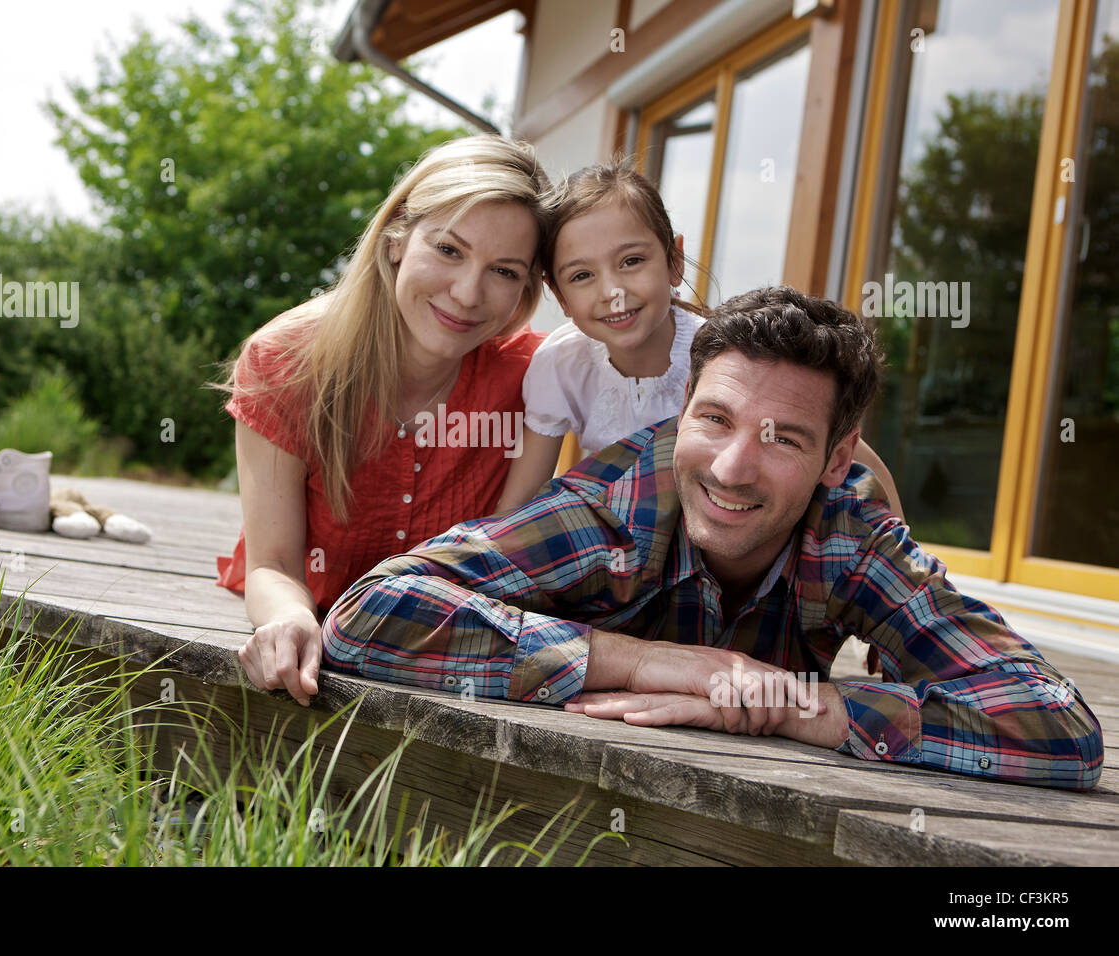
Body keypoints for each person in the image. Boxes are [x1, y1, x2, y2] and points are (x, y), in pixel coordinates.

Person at [321, 286, 1103, 790]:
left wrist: (795, 705)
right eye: (715, 419)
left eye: (783, 440)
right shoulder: (612, 507)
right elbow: (369, 615)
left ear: (836, 459)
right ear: (683, 404)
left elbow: (1059, 728)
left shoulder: (852, 536)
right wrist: (678, 666)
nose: (732, 469)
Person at [212, 135, 552, 708]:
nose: (468, 293)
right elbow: (272, 564)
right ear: (396, 238)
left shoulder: (537, 375)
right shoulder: (286, 360)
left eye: (503, 270)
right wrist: (290, 617)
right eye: (448, 249)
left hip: (445, 650)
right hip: (315, 620)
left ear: (526, 287)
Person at [494, 160, 904, 518]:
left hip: (725, 532)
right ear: (559, 295)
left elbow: (853, 456)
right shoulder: (561, 363)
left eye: (632, 261)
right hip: (622, 543)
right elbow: (522, 500)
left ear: (674, 262)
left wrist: (903, 544)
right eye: (582, 276)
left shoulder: (727, 356)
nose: (612, 292)